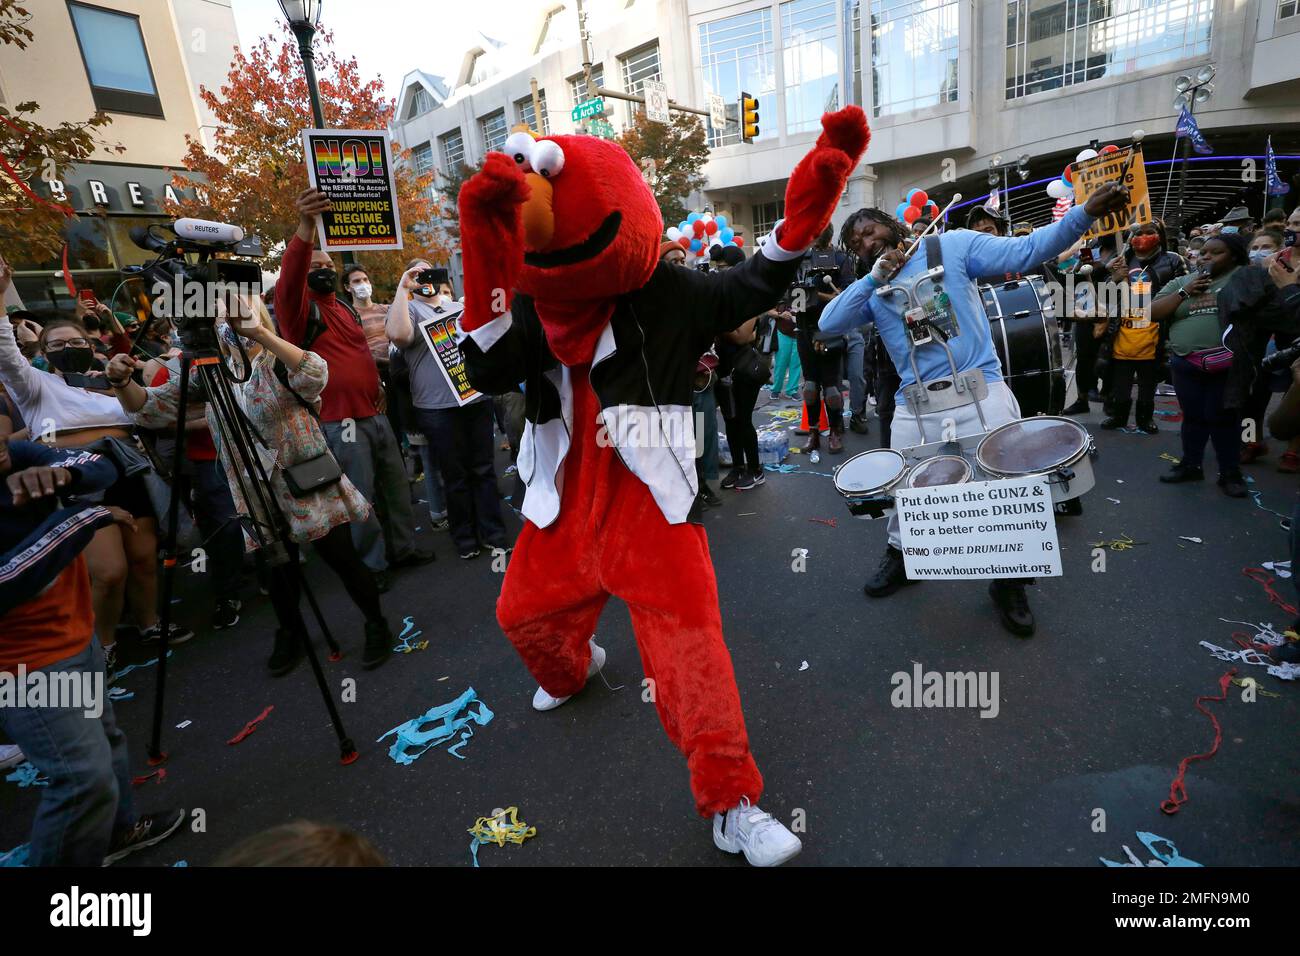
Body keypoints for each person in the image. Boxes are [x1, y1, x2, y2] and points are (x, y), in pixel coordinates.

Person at [457, 108, 869, 866]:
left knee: (692, 654)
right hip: (559, 502)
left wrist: (808, 207)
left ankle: (731, 802)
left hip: (648, 501)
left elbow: (754, 280)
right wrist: (484, 250)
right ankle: (577, 668)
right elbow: (482, 368)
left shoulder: (668, 292)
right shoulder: (528, 306)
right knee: (521, 617)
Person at [824, 182, 1131, 637]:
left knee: (1005, 492)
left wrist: (1083, 213)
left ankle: (1009, 581)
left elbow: (1026, 251)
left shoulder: (953, 246)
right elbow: (829, 323)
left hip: (980, 392)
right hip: (918, 405)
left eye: (871, 231)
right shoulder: (872, 287)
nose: (868, 243)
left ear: (893, 226)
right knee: (908, 494)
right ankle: (904, 557)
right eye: (857, 243)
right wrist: (873, 279)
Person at [109, 297, 396, 673]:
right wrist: (121, 381)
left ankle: (376, 623)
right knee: (279, 569)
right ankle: (290, 632)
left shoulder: (278, 360)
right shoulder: (210, 373)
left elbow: (315, 372)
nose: (225, 323)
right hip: (254, 490)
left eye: (232, 315)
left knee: (341, 557)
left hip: (304, 479)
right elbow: (148, 407)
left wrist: (259, 332)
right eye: (218, 318)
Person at [0, 435, 185, 865]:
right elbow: (7, 580)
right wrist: (83, 517)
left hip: (74, 634)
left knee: (107, 737)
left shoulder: (18, 453)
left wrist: (64, 474)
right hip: (26, 666)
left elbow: (103, 465)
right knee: (82, 779)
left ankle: (117, 832)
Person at [0, 260, 186, 669]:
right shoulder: (37, 386)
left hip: (131, 475)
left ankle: (148, 623)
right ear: (43, 354)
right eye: (58, 345)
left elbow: (145, 410)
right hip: (78, 481)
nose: (69, 349)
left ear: (91, 342)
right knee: (109, 571)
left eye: (77, 341)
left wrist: (121, 376)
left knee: (142, 558)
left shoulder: (110, 380)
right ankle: (101, 647)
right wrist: (1, 293)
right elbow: (8, 358)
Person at [280, 190, 435, 591]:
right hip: (340, 421)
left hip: (375, 412)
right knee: (361, 496)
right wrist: (307, 226)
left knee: (397, 487)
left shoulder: (345, 308)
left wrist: (378, 386)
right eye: (317, 265)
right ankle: (374, 565)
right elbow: (294, 269)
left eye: (329, 264)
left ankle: (402, 549)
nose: (324, 269)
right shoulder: (299, 311)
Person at [386, 262, 506, 559]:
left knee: (483, 468)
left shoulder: (458, 307)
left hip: (475, 399)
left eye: (428, 273)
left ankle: (493, 532)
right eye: (416, 274)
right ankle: (464, 537)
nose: (423, 279)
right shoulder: (409, 310)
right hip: (436, 407)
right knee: (455, 474)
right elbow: (399, 336)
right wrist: (403, 289)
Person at [1151, 234, 1254, 496]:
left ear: (1233, 256)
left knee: (1223, 417)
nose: (1205, 257)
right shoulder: (1182, 281)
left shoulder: (1244, 277)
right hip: (1186, 362)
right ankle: (1191, 465)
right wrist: (1186, 292)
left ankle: (1230, 473)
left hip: (1227, 363)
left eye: (1215, 252)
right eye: (1203, 252)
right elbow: (1151, 311)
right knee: (1193, 417)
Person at [1099, 220, 1186, 433]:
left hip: (1156, 329)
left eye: (1150, 232)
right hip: (1123, 330)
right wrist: (1113, 279)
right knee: (1121, 378)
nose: (1144, 236)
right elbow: (1103, 297)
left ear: (1160, 234)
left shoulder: (1173, 260)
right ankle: (1118, 417)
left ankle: (1145, 418)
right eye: (1138, 232)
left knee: (1149, 379)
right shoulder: (1121, 260)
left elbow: (1185, 291)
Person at [792, 225, 856, 454]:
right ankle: (813, 432)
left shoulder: (841, 258)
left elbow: (848, 296)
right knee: (809, 385)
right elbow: (791, 292)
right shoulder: (800, 259)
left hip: (829, 328)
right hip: (803, 328)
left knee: (831, 388)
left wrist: (817, 294)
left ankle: (836, 432)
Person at [712, 244, 768, 490]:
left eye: (723, 268)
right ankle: (738, 467)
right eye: (717, 268)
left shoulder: (749, 296)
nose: (719, 273)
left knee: (743, 420)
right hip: (723, 368)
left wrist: (714, 317)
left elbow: (742, 336)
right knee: (730, 420)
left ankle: (755, 470)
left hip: (744, 369)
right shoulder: (721, 295)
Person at [1241, 228, 1296, 467]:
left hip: (1293, 337)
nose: (1259, 252)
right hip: (1259, 339)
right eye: (1254, 247)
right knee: (1250, 394)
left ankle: (1294, 450)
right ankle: (1251, 441)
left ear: (1279, 247)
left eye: (1266, 247)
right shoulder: (1253, 272)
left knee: (1294, 396)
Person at [768, 295, 801, 401]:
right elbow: (769, 311)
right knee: (781, 362)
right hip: (783, 333)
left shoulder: (804, 294)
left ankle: (792, 390)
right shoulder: (780, 294)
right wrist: (780, 314)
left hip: (799, 333)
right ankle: (776, 390)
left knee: (796, 363)